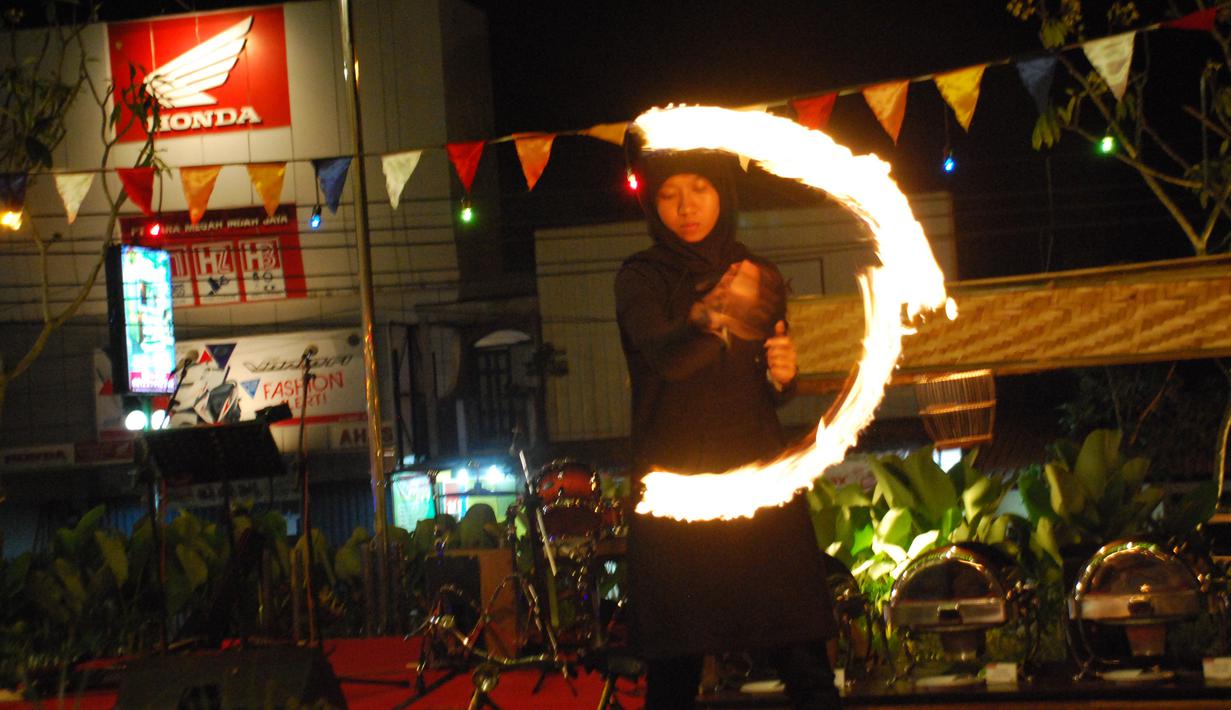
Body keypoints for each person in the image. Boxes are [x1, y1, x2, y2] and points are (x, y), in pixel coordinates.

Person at [615, 133, 842, 709]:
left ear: (723, 193)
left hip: (758, 487)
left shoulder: (757, 274)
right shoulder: (640, 278)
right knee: (674, 678)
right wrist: (712, 314)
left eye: (699, 188)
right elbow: (668, 357)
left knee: (806, 664)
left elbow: (766, 391)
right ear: (653, 204)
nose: (686, 207)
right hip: (676, 497)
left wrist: (783, 376)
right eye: (669, 194)